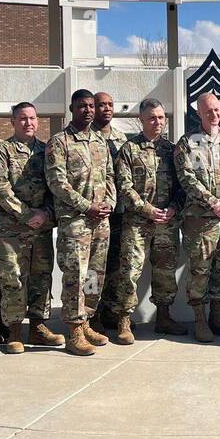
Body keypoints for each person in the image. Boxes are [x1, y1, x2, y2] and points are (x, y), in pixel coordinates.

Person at [0, 101, 65, 353]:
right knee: (12, 279)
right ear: (12, 122)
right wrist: (26, 215)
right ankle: (14, 330)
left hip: (41, 228)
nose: (28, 123)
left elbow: (58, 187)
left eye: (32, 118)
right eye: (22, 119)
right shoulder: (1, 151)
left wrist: (46, 214)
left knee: (41, 278)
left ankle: (38, 327)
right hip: (12, 229)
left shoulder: (47, 151)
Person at [45, 89, 115, 356]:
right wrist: (88, 206)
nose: (88, 110)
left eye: (90, 106)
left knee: (95, 275)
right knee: (76, 276)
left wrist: (110, 203)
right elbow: (57, 182)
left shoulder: (99, 141)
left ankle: (86, 320)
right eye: (82, 106)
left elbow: (109, 176)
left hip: (101, 221)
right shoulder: (59, 142)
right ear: (71, 109)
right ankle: (73, 330)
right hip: (75, 221)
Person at [174, 92, 220, 343]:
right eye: (208, 111)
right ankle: (200, 320)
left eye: (217, 110)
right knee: (200, 271)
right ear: (198, 113)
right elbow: (186, 178)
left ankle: (218, 316)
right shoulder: (187, 143)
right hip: (201, 220)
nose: (214, 114)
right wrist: (213, 202)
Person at [110, 97, 185, 341]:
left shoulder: (172, 150)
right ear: (141, 120)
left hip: (166, 222)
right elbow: (124, 187)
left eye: (161, 117)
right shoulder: (129, 150)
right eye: (152, 118)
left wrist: (173, 207)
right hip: (138, 223)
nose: (158, 122)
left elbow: (181, 186)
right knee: (130, 271)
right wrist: (147, 209)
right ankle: (124, 320)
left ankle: (163, 316)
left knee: (165, 271)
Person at [92, 91, 128, 334]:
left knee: (115, 266)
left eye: (110, 104)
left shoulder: (120, 138)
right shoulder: (85, 136)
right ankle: (90, 314)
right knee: (92, 269)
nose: (106, 108)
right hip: (92, 215)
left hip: (117, 213)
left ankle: (110, 312)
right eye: (101, 105)